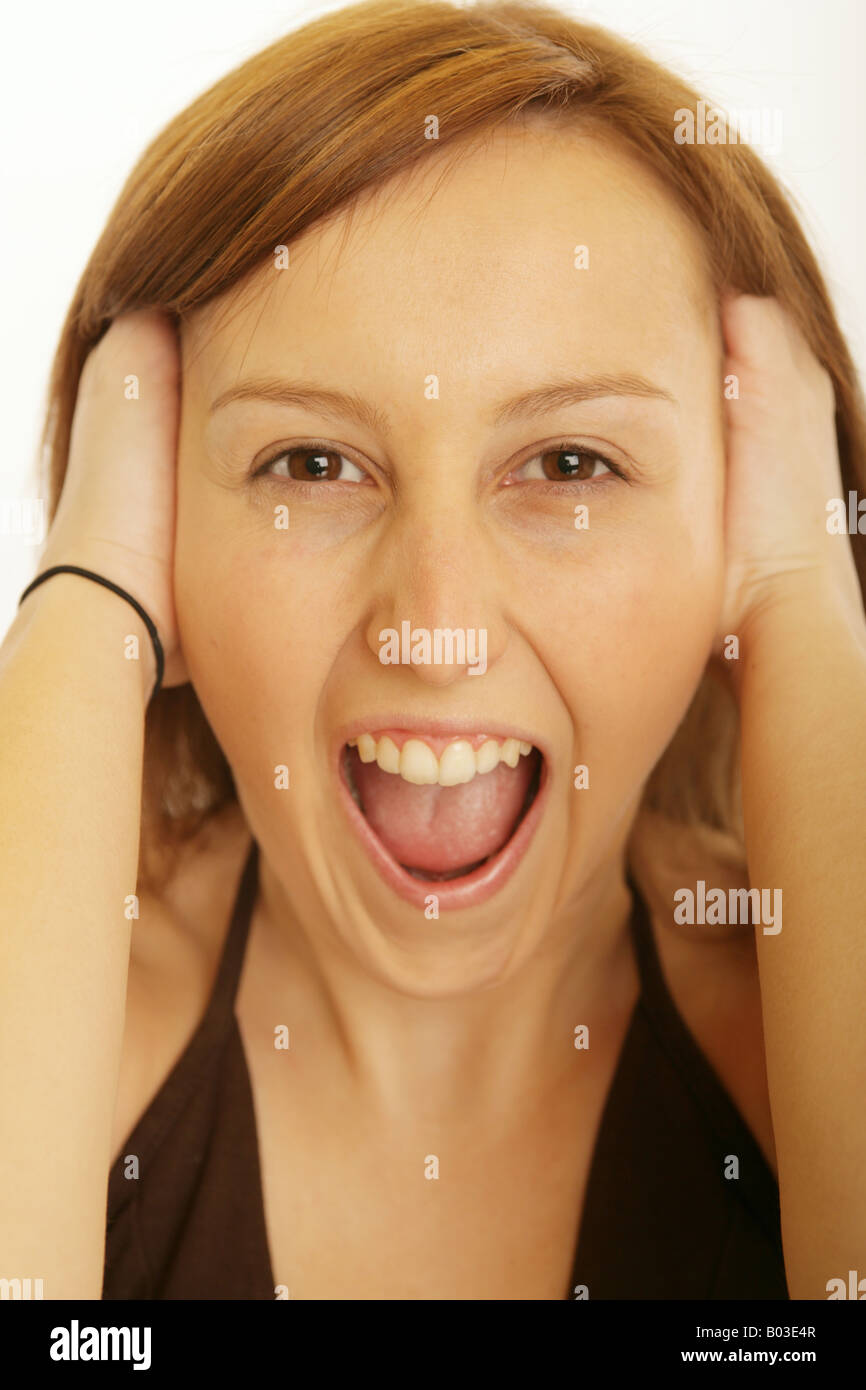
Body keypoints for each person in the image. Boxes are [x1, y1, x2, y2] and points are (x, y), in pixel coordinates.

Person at [1, 0, 864, 1301]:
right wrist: (82, 601)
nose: (433, 622)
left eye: (570, 462)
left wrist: (803, 596)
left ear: (739, 517)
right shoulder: (85, 1022)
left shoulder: (787, 1038)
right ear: (158, 524)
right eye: (309, 461)